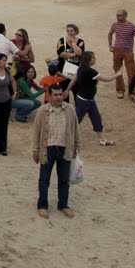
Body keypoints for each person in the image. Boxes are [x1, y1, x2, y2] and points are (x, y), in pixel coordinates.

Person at [32, 77, 80, 219]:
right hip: (48, 148)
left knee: (64, 179)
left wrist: (77, 146)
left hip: (65, 148)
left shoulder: (70, 109)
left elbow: (76, 128)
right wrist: (36, 150)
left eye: (60, 94)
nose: (59, 97)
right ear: (50, 95)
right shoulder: (43, 111)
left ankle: (63, 205)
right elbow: (37, 132)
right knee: (44, 179)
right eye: (56, 95)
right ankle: (42, 205)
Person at [70, 51, 118, 147]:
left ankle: (102, 139)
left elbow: (74, 79)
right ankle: (64, 138)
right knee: (75, 120)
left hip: (88, 99)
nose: (95, 59)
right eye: (93, 57)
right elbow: (106, 79)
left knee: (96, 118)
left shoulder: (81, 69)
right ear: (89, 60)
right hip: (84, 100)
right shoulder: (90, 72)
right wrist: (117, 74)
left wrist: (67, 89)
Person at [107, 9, 135, 99]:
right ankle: (120, 90)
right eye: (117, 15)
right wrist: (110, 45)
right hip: (117, 50)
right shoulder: (115, 25)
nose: (117, 17)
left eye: (119, 15)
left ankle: (131, 91)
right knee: (117, 70)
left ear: (125, 16)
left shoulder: (132, 26)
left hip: (128, 51)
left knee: (131, 72)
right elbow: (110, 34)